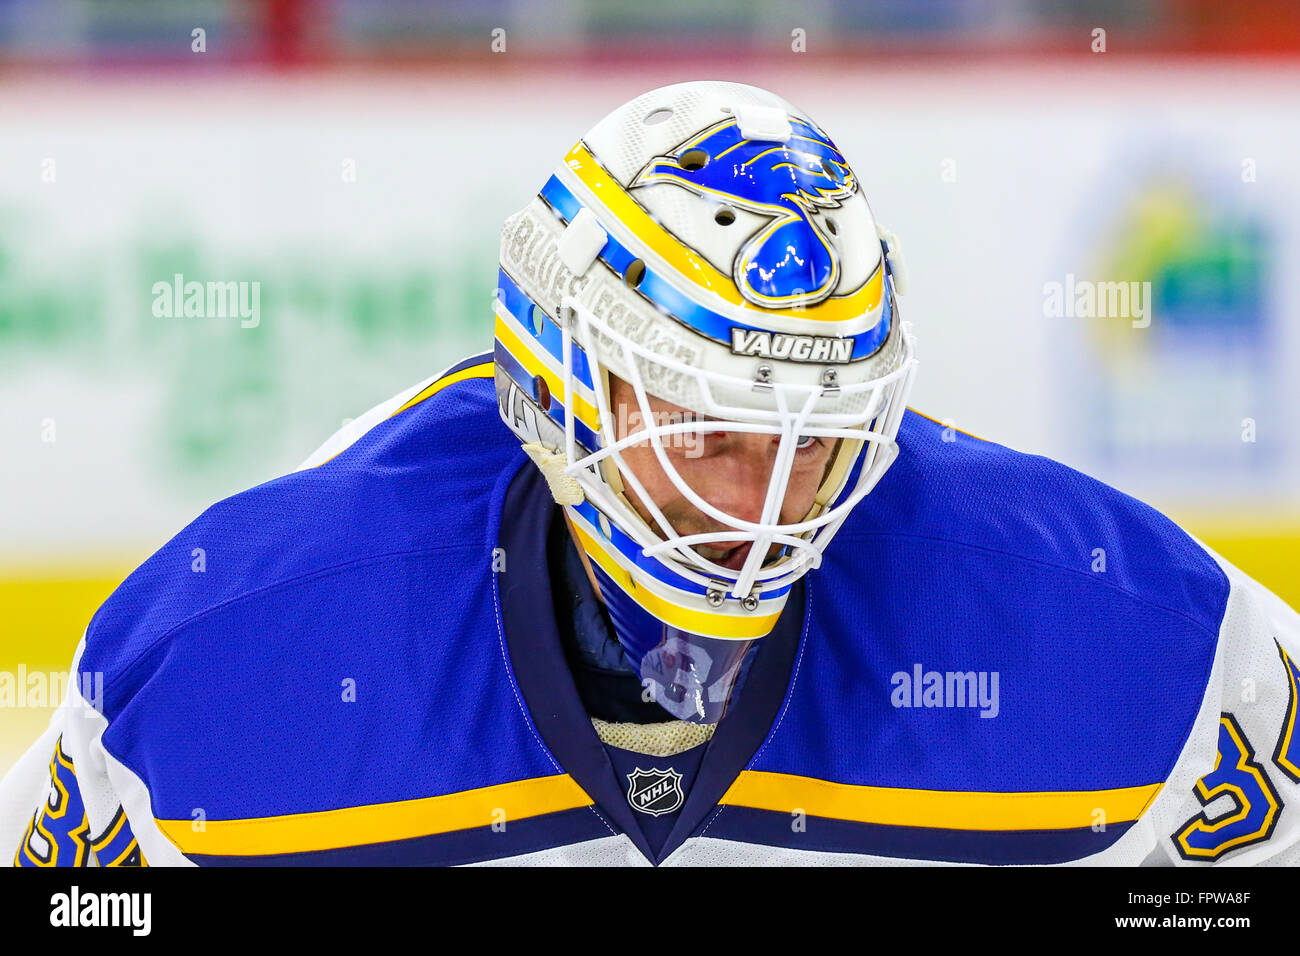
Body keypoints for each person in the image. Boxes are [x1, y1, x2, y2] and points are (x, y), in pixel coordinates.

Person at [3, 80, 1297, 867]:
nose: (761, 514)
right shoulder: (240, 655)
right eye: (713, 432)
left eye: (813, 443)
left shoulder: (1126, 646)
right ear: (566, 383)